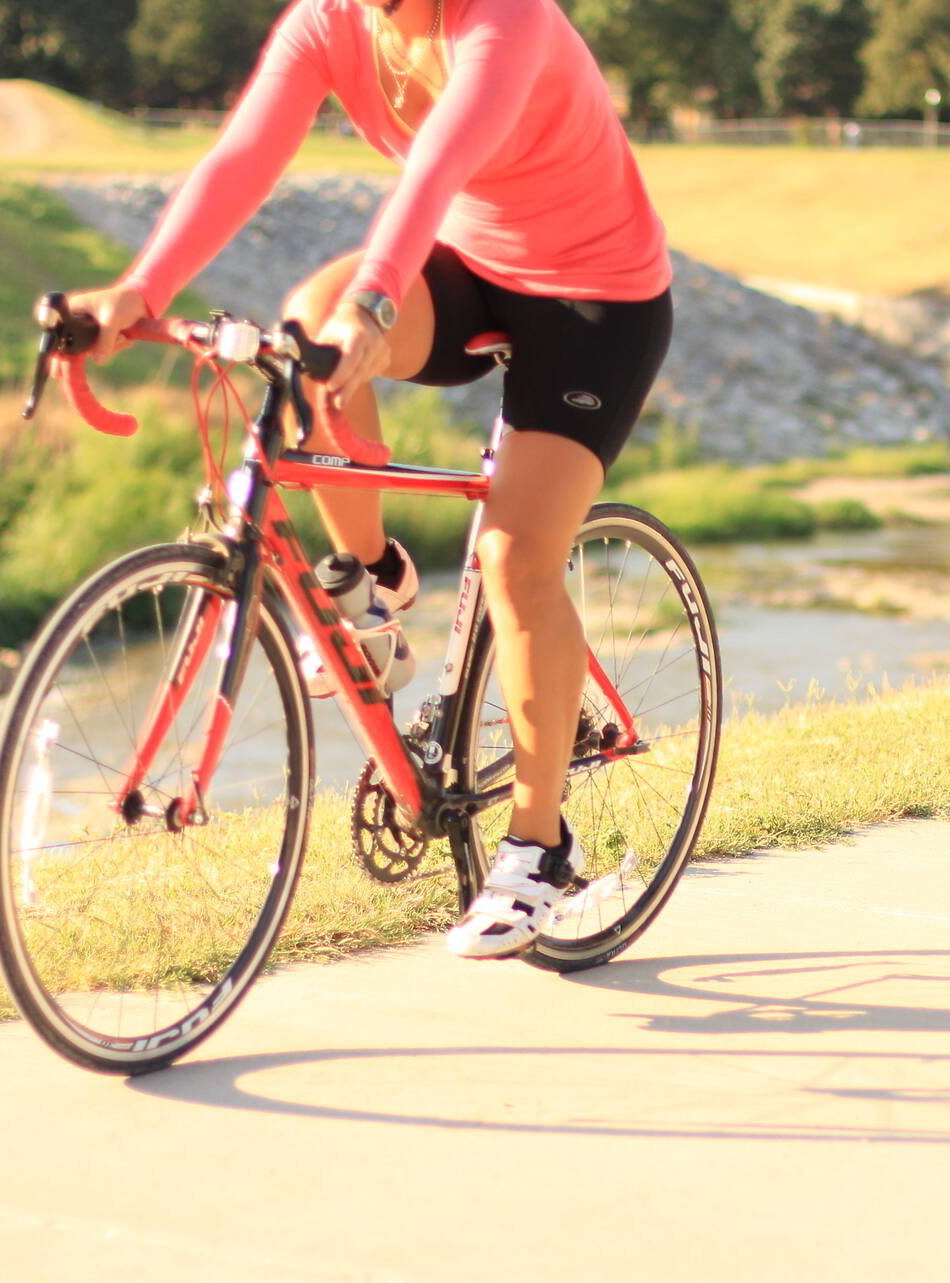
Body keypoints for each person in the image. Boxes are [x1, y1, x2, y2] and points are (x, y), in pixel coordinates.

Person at [67, 0, 674, 957]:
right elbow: (241, 158)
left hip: (595, 301)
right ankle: (372, 589)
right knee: (308, 332)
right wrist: (138, 292)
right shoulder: (329, 23)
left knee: (518, 558)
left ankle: (541, 848)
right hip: (475, 265)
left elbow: (436, 165)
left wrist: (377, 300)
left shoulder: (506, 20)